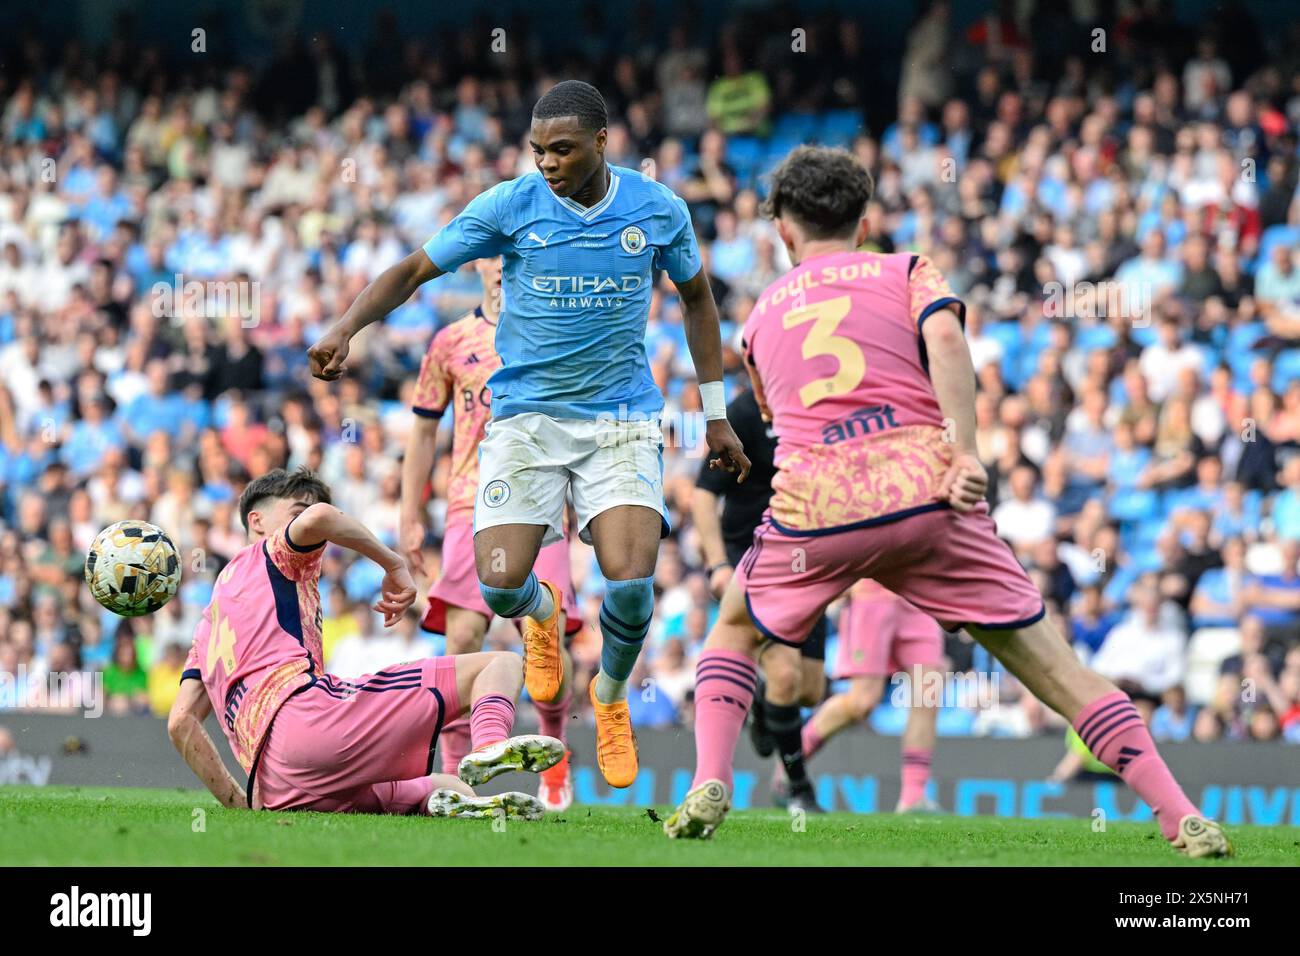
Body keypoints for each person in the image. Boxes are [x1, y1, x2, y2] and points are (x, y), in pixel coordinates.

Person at [664, 146, 1230, 858]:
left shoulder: (759, 319)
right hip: (928, 493)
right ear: (864, 220)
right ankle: (1179, 814)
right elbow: (946, 340)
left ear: (782, 230)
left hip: (820, 506)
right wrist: (966, 451)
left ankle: (707, 782)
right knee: (1055, 667)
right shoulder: (905, 270)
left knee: (735, 626)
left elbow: (777, 420)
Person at [309, 80, 749, 789]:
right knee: (502, 584)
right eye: (538, 148)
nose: (546, 161)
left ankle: (607, 694)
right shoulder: (510, 205)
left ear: (603, 143)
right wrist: (345, 327)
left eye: (563, 149)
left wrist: (717, 412)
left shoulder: (657, 208)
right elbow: (416, 269)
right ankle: (542, 621)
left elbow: (697, 299)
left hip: (621, 417)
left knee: (632, 585)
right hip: (526, 419)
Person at [167, 467, 564, 819]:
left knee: (450, 786)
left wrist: (241, 803)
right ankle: (490, 744)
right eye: (296, 511)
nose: (309, 521)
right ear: (257, 520)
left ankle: (449, 802)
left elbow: (181, 723)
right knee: (501, 665)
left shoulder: (207, 625)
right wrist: (394, 563)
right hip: (309, 721)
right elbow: (321, 517)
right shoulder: (271, 555)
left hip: (277, 785)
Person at [400, 255, 583, 811]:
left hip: (542, 500)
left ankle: (556, 759)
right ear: (477, 262)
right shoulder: (449, 342)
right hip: (467, 502)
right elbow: (424, 431)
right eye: (494, 255)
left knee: (544, 643)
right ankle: (457, 777)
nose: (504, 266)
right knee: (461, 640)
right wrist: (410, 511)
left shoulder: (558, 328)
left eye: (515, 254)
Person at [692, 385, 828, 814]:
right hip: (750, 556)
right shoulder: (745, 413)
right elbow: (702, 493)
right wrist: (717, 564)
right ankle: (798, 788)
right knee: (786, 676)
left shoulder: (818, 408)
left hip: (806, 563)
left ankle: (763, 707)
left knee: (808, 690)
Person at [797, 579, 945, 813]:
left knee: (928, 695)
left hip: (919, 598)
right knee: (862, 703)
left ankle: (913, 797)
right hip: (872, 596)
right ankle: (791, 763)